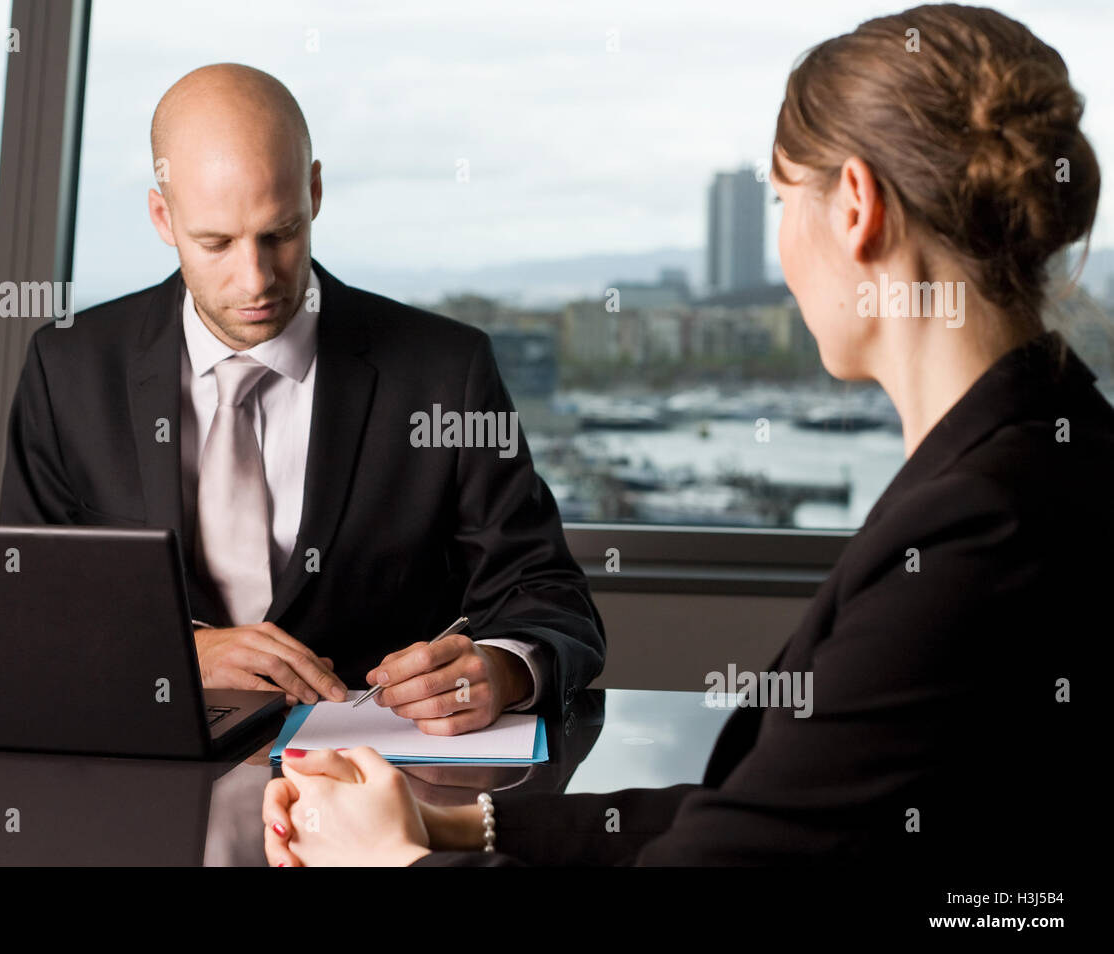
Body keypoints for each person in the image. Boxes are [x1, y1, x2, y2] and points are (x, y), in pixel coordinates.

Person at [262, 2, 1107, 865]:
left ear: (856, 206)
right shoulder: (1031, 462)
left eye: (783, 198)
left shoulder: (984, 527)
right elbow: (766, 810)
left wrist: (393, 863)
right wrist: (460, 824)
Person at [0, 64, 606, 732]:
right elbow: (20, 600)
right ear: (163, 218)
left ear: (314, 192)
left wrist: (504, 669)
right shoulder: (68, 369)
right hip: (138, 783)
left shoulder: (445, 372)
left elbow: (546, 592)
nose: (255, 279)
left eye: (279, 233)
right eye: (217, 243)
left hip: (375, 791)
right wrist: (176, 654)